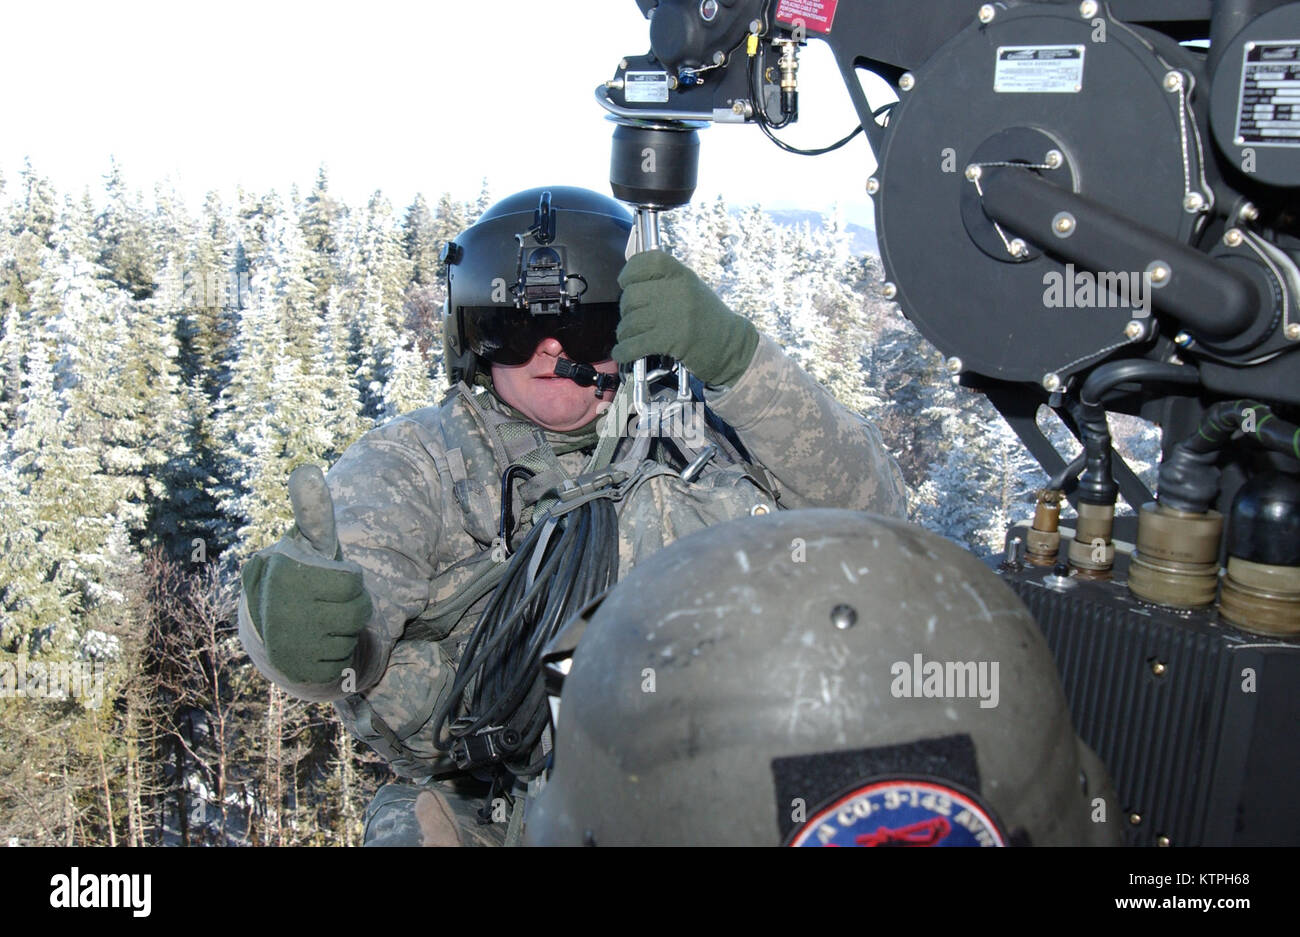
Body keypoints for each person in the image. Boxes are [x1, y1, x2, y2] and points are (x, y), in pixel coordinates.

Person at [237, 186, 907, 846]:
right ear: (476, 340)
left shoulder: (707, 430)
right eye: (517, 329)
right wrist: (288, 636)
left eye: (586, 325)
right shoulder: (418, 463)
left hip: (738, 772)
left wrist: (740, 362)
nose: (555, 351)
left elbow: (877, 518)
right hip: (501, 806)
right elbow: (348, 591)